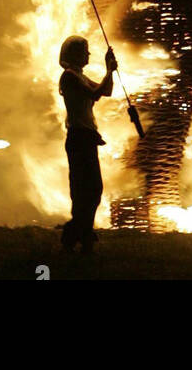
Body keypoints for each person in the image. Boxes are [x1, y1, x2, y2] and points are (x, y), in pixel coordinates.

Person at [59, 35, 117, 254]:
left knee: (92, 189)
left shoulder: (80, 76)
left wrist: (108, 69)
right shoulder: (69, 77)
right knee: (86, 189)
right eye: (85, 51)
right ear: (75, 54)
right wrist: (109, 70)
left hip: (86, 137)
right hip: (78, 138)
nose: (88, 54)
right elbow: (96, 93)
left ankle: (81, 233)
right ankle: (76, 234)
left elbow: (106, 91)